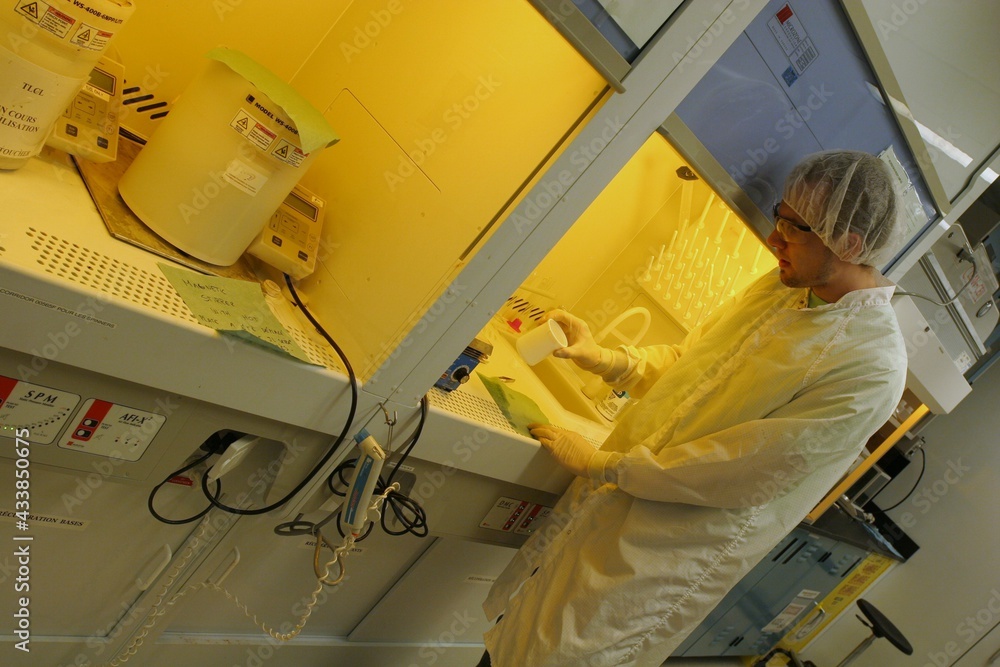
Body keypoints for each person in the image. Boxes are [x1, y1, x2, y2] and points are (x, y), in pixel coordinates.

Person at [477, 150, 909, 667]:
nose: (774, 238)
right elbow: (697, 372)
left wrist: (602, 463)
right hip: (608, 514)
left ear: (850, 243)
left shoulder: (870, 365)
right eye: (781, 215)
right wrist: (609, 360)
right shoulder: (781, 289)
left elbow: (742, 469)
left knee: (560, 655)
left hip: (655, 558)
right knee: (510, 643)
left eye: (795, 229)